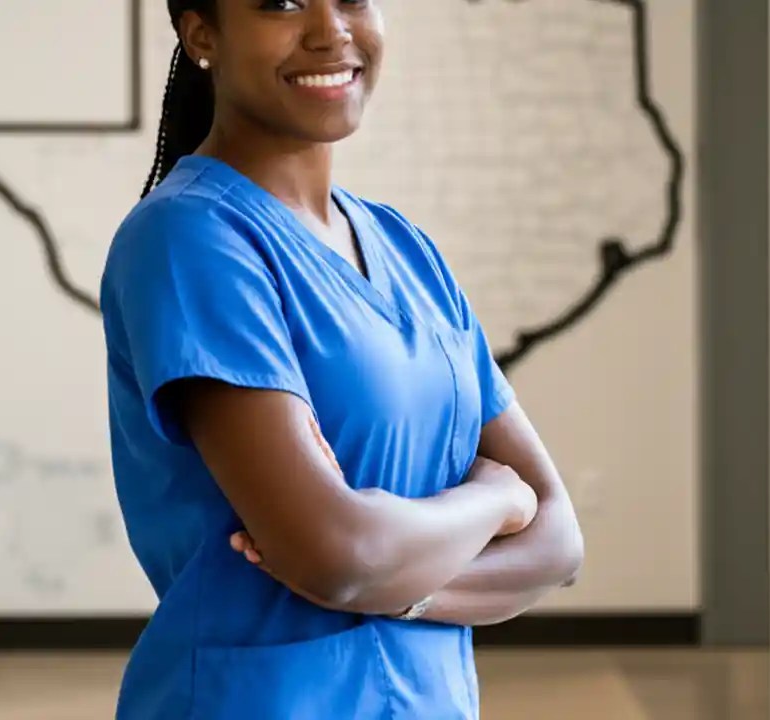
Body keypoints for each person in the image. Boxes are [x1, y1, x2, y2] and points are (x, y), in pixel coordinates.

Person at [100, 1, 584, 717]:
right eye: (282, 3)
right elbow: (337, 554)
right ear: (202, 32)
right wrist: (492, 500)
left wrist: (389, 575)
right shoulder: (189, 239)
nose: (331, 30)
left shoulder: (407, 250)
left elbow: (557, 541)